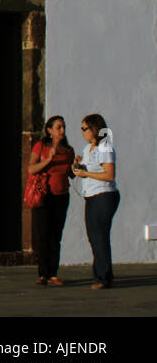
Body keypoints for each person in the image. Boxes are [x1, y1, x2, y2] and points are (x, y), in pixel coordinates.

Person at [72, 113, 119, 289]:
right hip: (91, 195)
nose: (82, 132)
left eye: (85, 128)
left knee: (100, 236)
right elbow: (88, 168)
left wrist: (86, 173)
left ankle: (103, 277)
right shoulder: (88, 149)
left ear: (94, 129)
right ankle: (102, 273)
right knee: (94, 236)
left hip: (104, 195)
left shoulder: (104, 148)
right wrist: (78, 165)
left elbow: (109, 174)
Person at [27, 115, 73, 285]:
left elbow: (70, 173)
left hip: (62, 196)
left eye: (63, 127)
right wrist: (48, 159)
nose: (62, 130)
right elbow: (31, 169)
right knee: (43, 233)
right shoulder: (41, 146)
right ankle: (42, 273)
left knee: (56, 235)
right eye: (58, 127)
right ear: (49, 130)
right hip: (44, 195)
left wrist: (77, 167)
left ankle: (53, 273)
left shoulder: (68, 150)